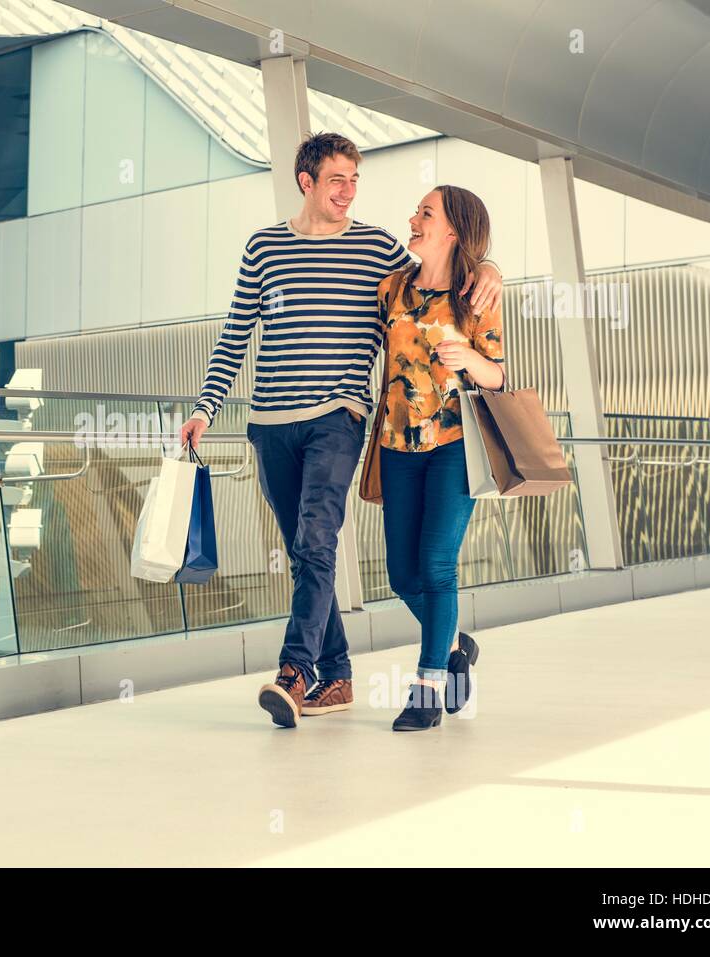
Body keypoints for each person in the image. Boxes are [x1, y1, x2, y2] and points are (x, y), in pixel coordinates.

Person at [179, 133, 502, 728]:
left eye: (355, 179)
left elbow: (445, 276)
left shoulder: (378, 249)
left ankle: (295, 672)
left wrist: (490, 267)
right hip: (271, 423)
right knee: (307, 553)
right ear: (306, 182)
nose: (350, 191)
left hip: (343, 417)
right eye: (337, 180)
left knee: (321, 539)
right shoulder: (265, 248)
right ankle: (347, 672)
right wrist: (206, 407)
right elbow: (235, 334)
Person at [377, 185, 505, 732]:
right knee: (402, 573)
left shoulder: (476, 293)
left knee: (435, 566)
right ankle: (456, 646)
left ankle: (428, 688)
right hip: (396, 444)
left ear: (452, 230)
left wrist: (470, 357)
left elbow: (499, 376)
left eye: (424, 213)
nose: (412, 218)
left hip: (453, 445)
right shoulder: (392, 288)